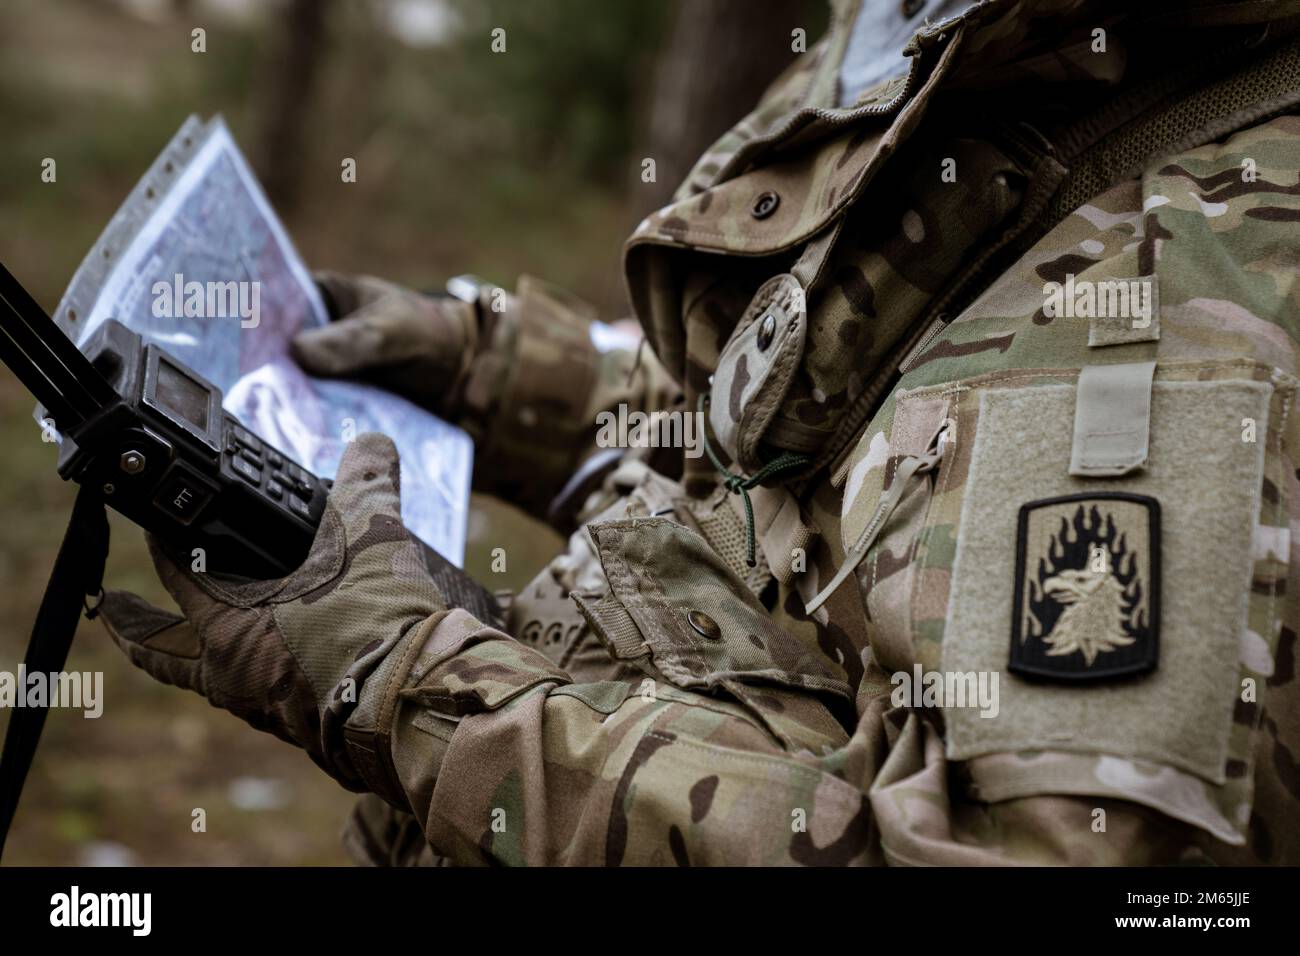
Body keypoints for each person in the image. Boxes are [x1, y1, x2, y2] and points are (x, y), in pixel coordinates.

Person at [101, 0, 1300, 865]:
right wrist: (499, 371)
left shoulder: (1179, 325)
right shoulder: (1009, 54)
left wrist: (411, 684)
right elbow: (821, 458)